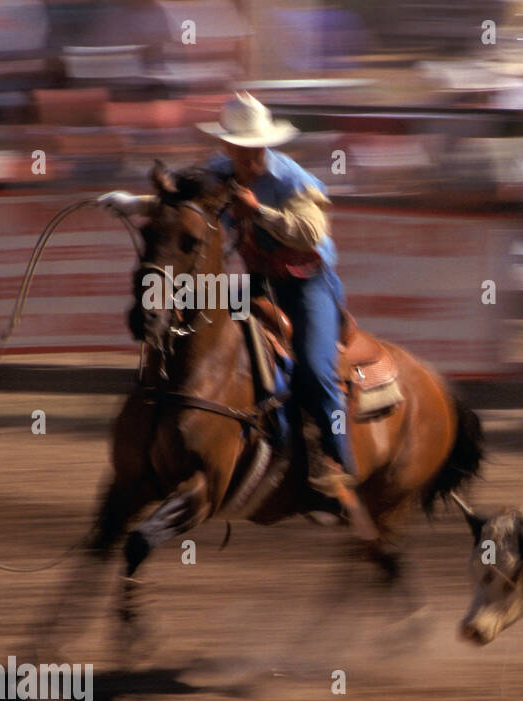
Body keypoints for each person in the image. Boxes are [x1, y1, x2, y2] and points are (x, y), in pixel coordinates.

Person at [99, 92, 371, 537]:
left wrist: (259, 212)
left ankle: (337, 468)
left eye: (251, 146)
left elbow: (310, 232)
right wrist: (136, 203)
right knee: (193, 317)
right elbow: (185, 210)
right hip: (258, 283)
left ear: (265, 145)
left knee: (317, 367)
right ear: (227, 146)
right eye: (237, 145)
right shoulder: (218, 173)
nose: (244, 153)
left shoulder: (293, 181)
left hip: (306, 285)